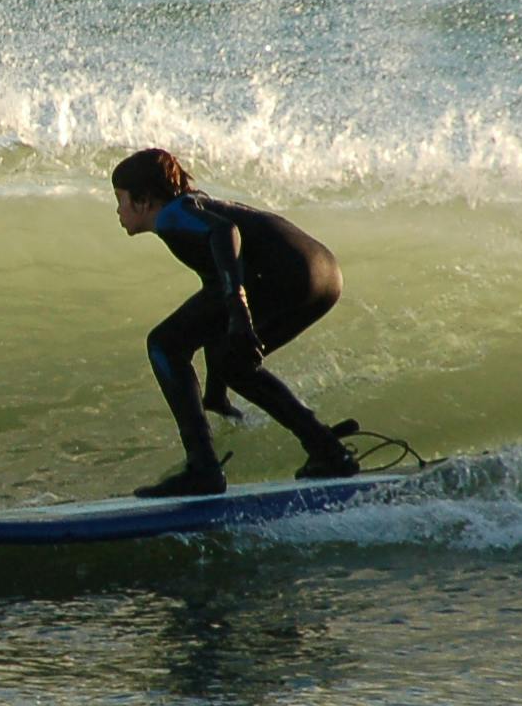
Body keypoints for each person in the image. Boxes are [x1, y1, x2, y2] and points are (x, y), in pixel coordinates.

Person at [110, 148, 359, 497]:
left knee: (163, 344)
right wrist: (216, 393)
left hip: (286, 274)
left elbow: (226, 233)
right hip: (323, 274)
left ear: (143, 201)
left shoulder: (172, 216)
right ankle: (328, 451)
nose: (118, 211)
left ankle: (202, 468)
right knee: (235, 364)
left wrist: (239, 307)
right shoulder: (194, 208)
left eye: (120, 199)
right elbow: (216, 306)